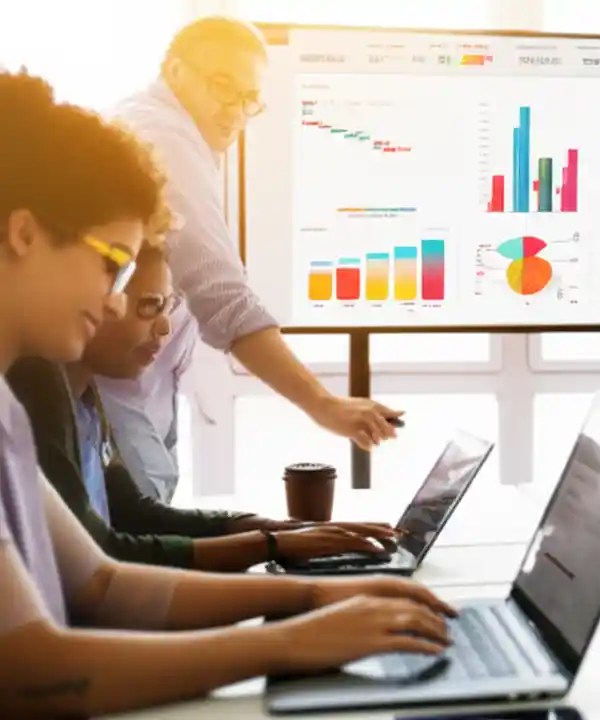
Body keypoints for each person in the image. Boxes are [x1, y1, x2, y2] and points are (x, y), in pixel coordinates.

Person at [0, 70, 451, 718]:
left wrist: (310, 598)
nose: (115, 298)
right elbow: (26, 674)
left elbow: (101, 584)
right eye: (109, 264)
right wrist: (291, 643)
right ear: (24, 234)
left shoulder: (8, 409)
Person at [99, 16, 402, 503]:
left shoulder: (163, 128)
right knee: (131, 538)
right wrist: (322, 404)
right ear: (175, 71)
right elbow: (223, 296)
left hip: (134, 394)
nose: (235, 112)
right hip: (114, 396)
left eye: (248, 99)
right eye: (223, 87)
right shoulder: (165, 137)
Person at [7, 241, 401, 572]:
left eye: (167, 307)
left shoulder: (85, 396)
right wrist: (268, 545)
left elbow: (134, 513)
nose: (163, 328)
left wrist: (266, 528)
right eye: (148, 306)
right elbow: (102, 557)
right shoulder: (36, 387)